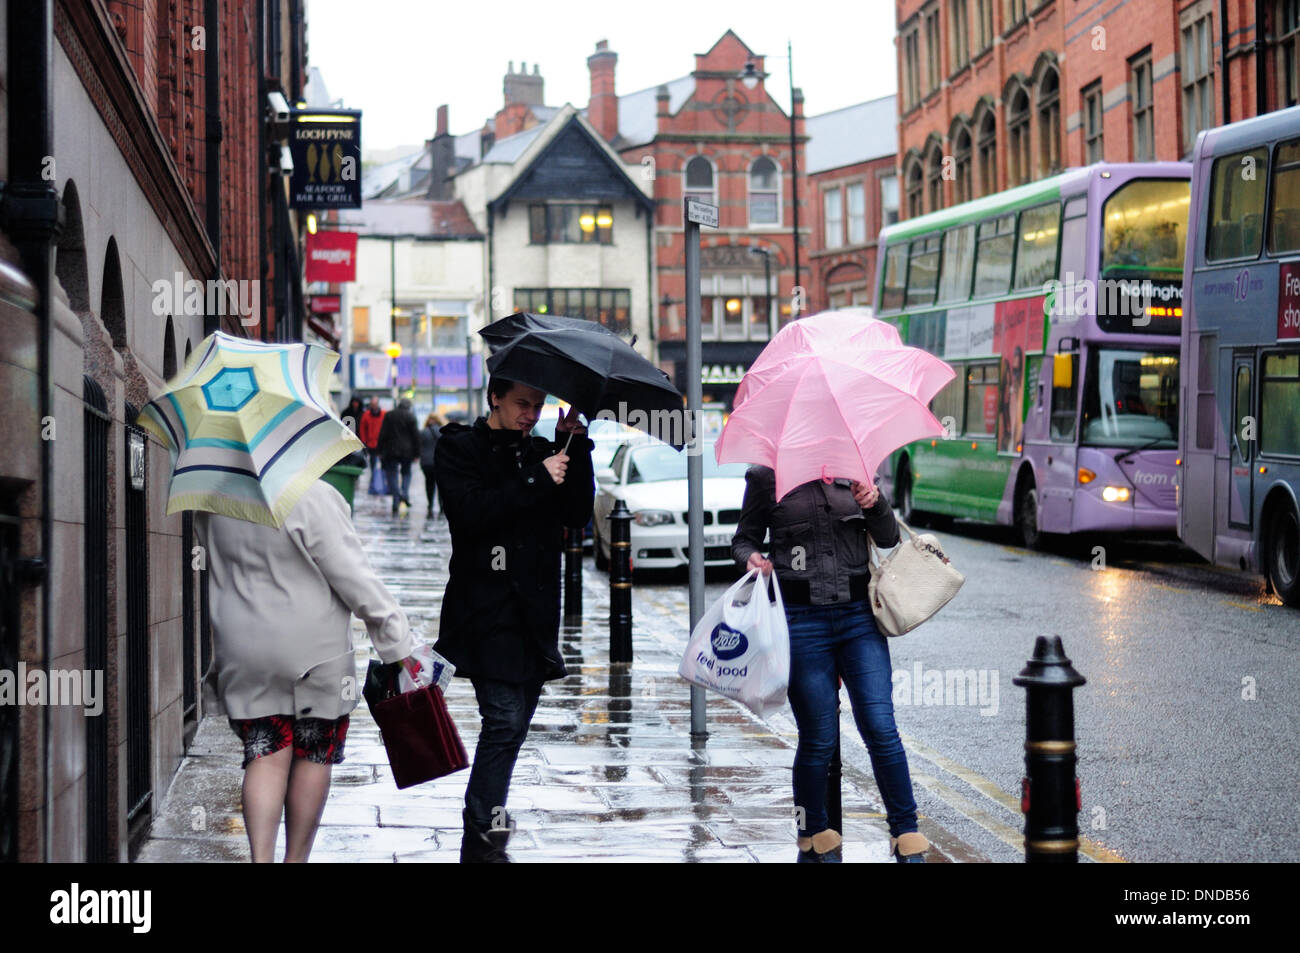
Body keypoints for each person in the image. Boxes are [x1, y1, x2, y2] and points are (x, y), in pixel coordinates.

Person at [195, 479, 417, 862]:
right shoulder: (312, 496)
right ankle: (295, 859)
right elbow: (354, 578)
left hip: (244, 649)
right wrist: (396, 640)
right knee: (314, 754)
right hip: (313, 651)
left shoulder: (213, 500)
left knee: (265, 755)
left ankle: (260, 859)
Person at [731, 467, 929, 863]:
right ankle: (811, 835)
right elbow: (743, 539)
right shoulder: (767, 476)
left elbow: (888, 538)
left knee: (880, 726)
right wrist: (749, 558)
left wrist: (875, 503)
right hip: (801, 621)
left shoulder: (855, 465)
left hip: (860, 618)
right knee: (817, 737)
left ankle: (906, 835)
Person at [434, 376, 594, 862]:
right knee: (503, 721)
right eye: (522, 403)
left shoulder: (543, 450)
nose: (531, 413)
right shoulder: (460, 448)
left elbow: (577, 515)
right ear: (495, 398)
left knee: (516, 725)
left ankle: (485, 819)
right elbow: (471, 514)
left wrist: (575, 445)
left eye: (539, 405)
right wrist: (536, 478)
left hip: (534, 615)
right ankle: (482, 827)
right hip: (484, 612)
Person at [377, 397, 421, 515]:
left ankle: (396, 498)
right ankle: (404, 494)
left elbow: (383, 433)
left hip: (391, 450)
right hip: (407, 451)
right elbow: (416, 436)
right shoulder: (411, 417)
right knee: (406, 473)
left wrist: (379, 450)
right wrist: (417, 453)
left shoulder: (389, 415)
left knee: (392, 474)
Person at [358, 397, 386, 494]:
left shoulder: (384, 414)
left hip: (382, 445)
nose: (373, 406)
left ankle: (381, 485)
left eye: (375, 404)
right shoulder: (366, 415)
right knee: (373, 466)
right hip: (371, 445)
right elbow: (362, 429)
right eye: (372, 404)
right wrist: (364, 441)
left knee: (383, 467)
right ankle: (374, 485)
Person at [419, 412, 443, 514]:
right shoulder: (442, 431)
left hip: (427, 462)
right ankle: (442, 506)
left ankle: (430, 504)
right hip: (440, 462)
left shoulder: (423, 432)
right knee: (441, 485)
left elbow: (419, 446)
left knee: (429, 483)